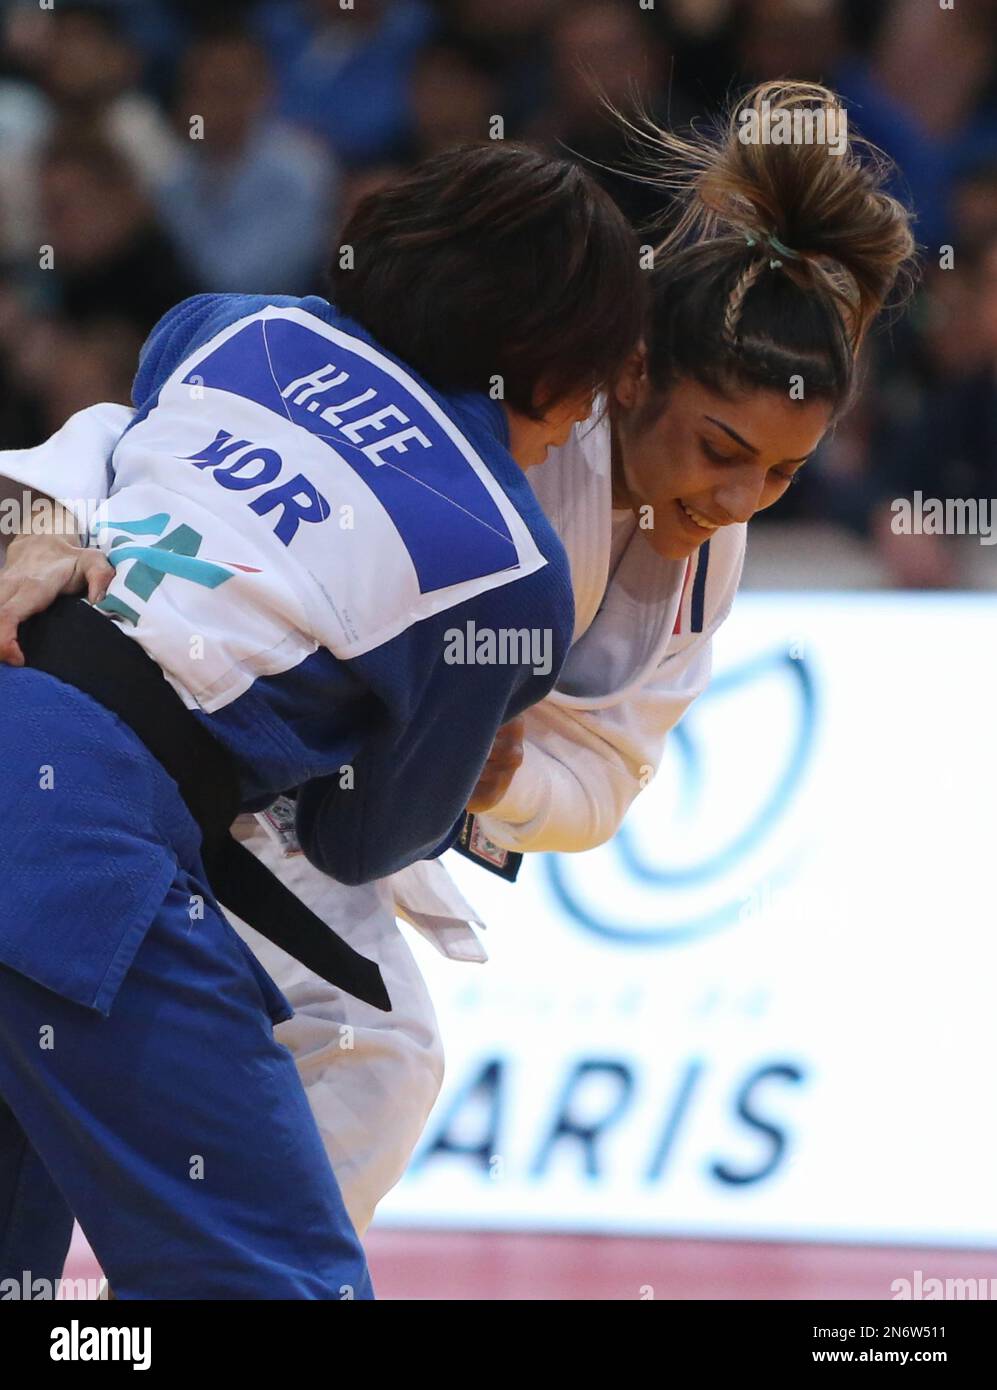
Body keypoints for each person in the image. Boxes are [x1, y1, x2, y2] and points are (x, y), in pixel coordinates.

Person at [1, 80, 916, 1275]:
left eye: (785, 474)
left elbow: (611, 773)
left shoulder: (702, 552)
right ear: (627, 375)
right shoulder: (511, 441)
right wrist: (34, 518)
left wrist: (504, 778)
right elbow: (149, 436)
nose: (738, 498)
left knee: (357, 1050)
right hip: (202, 771)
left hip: (234, 761)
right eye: (720, 450)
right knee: (369, 1051)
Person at [0, 140, 644, 1299]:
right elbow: (359, 842)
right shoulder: (512, 567)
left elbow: (118, 449)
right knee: (276, 1279)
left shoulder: (225, 322)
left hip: (30, 705)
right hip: (74, 831)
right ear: (554, 373)